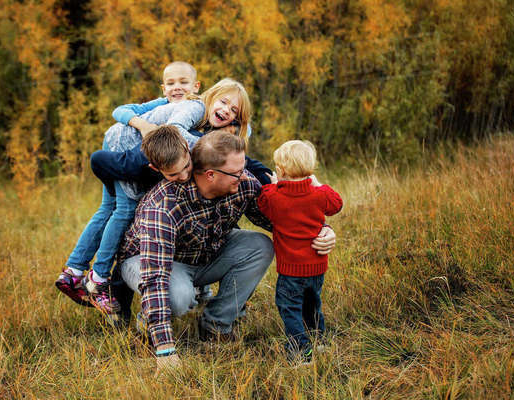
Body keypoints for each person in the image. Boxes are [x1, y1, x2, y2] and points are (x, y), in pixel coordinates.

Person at [115, 131, 337, 372]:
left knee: (259, 246)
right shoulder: (163, 207)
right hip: (150, 263)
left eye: (243, 168)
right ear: (211, 175)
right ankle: (151, 327)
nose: (244, 176)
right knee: (178, 296)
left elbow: (284, 220)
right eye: (237, 172)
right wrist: (166, 351)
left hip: (205, 255)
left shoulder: (243, 183)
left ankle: (215, 325)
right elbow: (155, 277)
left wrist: (323, 231)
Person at [55, 76, 252, 322]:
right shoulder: (194, 109)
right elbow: (128, 126)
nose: (226, 110)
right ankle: (97, 278)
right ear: (210, 95)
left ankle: (75, 271)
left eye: (234, 110)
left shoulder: (214, 126)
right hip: (126, 146)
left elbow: (241, 148)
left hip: (146, 154)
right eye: (223, 102)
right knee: (124, 215)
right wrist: (211, 149)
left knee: (115, 213)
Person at [257, 140, 343, 364]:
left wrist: (274, 184)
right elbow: (337, 203)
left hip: (290, 270)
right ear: (311, 170)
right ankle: (319, 341)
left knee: (290, 307)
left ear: (280, 170)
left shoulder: (275, 197)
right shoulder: (318, 194)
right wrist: (319, 184)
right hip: (316, 267)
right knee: (312, 303)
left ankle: (300, 350)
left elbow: (262, 202)